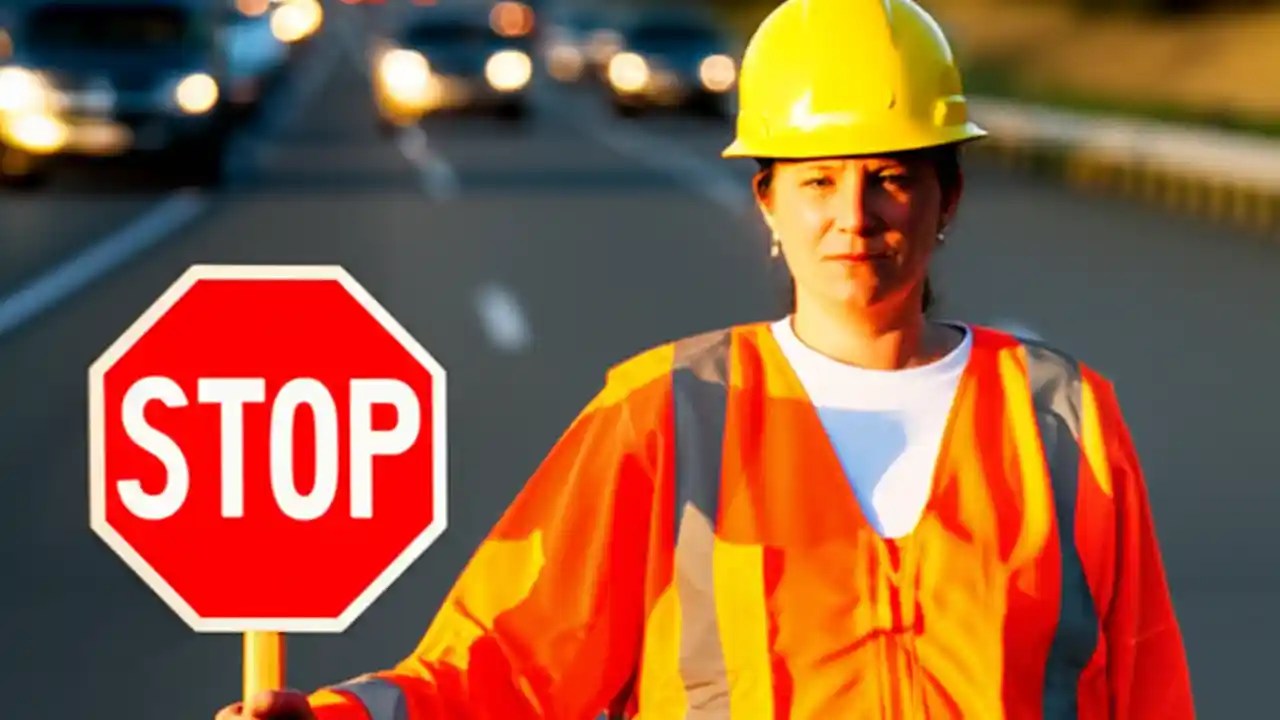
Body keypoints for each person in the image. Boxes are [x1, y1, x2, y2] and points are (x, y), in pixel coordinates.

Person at [217, 0, 1195, 717]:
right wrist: (336, 718)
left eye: (890, 178)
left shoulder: (1060, 416)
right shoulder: (665, 411)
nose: (852, 217)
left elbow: (1146, 686)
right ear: (766, 203)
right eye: (816, 181)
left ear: (948, 199)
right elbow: (510, 663)